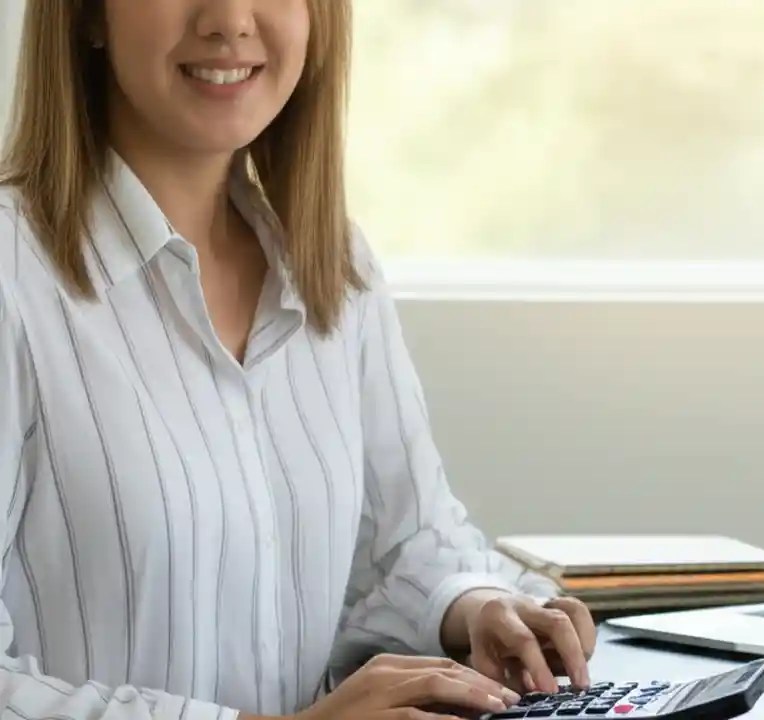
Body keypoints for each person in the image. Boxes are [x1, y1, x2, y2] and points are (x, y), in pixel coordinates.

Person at [0, 1, 596, 718]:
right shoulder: (14, 277)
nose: (228, 19)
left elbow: (406, 541)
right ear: (89, 16)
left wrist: (476, 604)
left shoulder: (334, 267)